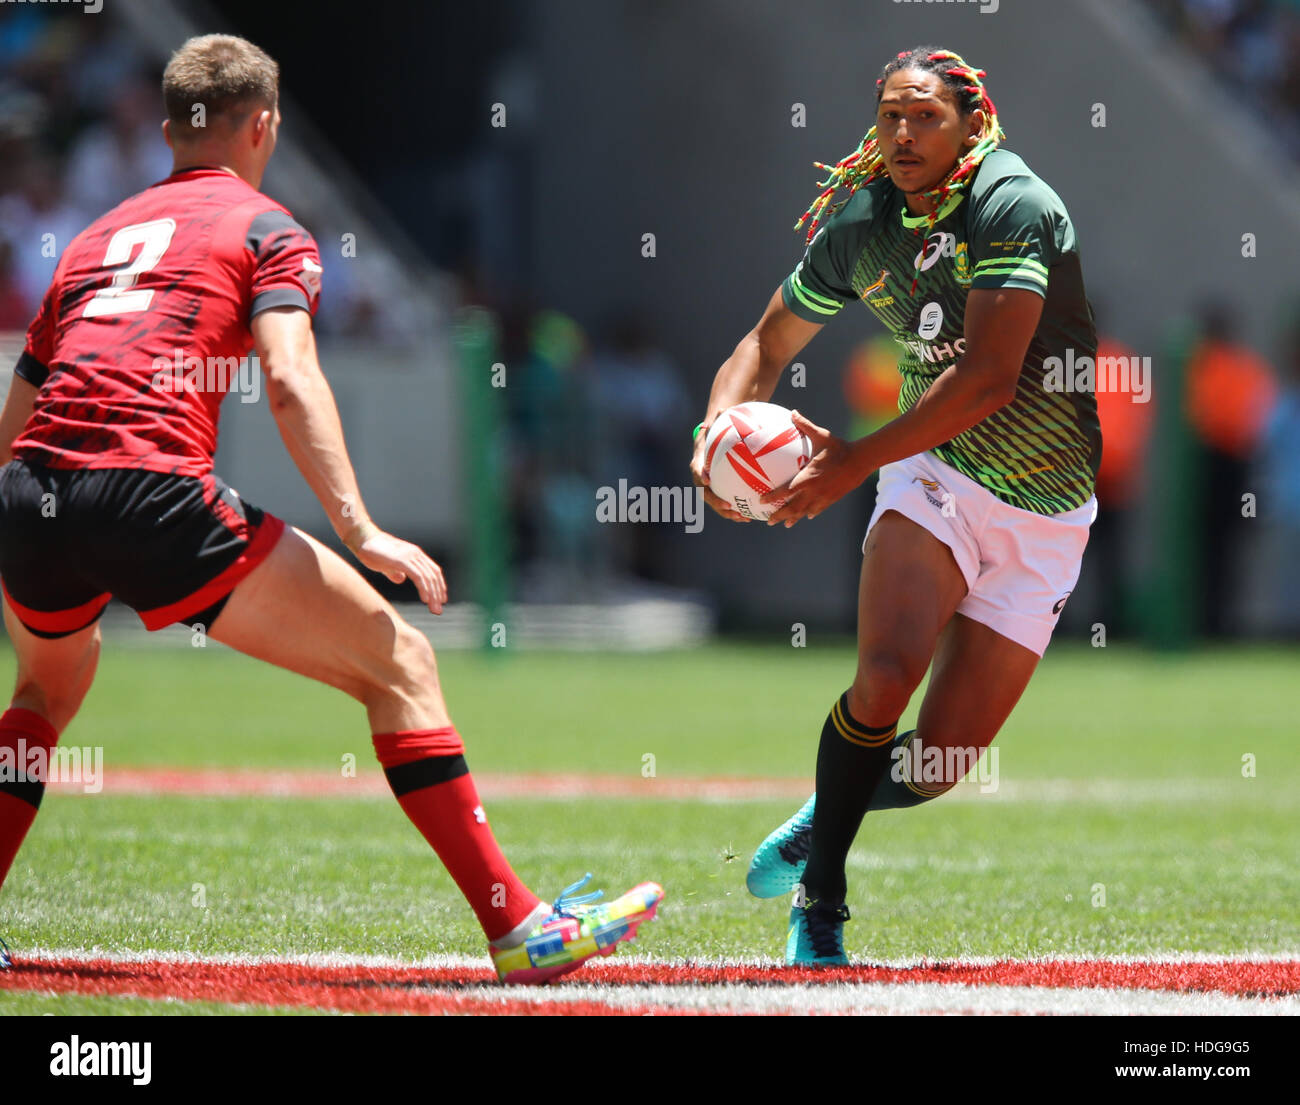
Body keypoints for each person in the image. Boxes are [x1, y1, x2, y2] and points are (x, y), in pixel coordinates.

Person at [0, 33, 661, 983]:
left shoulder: (93, 238)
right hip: (148, 488)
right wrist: (360, 528)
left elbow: (17, 418)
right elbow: (290, 373)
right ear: (264, 126)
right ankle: (517, 926)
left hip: (34, 498)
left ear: (168, 130)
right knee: (400, 661)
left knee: (42, 695)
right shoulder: (267, 226)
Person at [691, 46, 1100, 965]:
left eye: (925, 115)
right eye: (889, 117)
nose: (903, 134)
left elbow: (992, 376)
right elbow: (766, 340)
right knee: (883, 676)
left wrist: (846, 463)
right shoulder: (861, 224)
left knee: (942, 763)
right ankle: (822, 900)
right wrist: (714, 436)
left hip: (1046, 507)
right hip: (932, 473)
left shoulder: (1014, 204)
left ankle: (825, 807)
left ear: (972, 119)